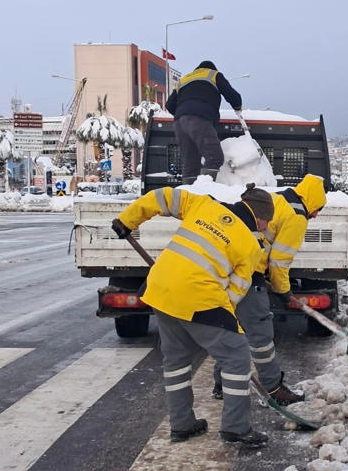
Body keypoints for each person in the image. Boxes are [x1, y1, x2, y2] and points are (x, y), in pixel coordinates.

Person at [111, 184, 274, 448]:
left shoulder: (204, 205)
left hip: (160, 289)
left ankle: (182, 425)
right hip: (199, 297)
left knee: (175, 361)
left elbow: (161, 197)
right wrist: (223, 321)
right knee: (236, 356)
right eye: (267, 221)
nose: (266, 228)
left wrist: (127, 220)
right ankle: (236, 429)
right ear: (258, 217)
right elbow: (236, 292)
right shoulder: (251, 247)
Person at [212, 174, 327, 404]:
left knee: (233, 328)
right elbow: (279, 261)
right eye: (317, 209)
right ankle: (274, 389)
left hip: (227, 267)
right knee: (260, 332)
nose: (315, 215)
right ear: (312, 202)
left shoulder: (280, 199)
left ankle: (221, 383)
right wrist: (284, 293)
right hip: (248, 271)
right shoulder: (297, 217)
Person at [166, 60, 243, 184]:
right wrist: (238, 106)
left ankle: (189, 197)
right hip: (199, 119)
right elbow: (232, 95)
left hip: (179, 123)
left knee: (190, 165)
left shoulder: (184, 79)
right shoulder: (214, 74)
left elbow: (169, 106)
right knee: (215, 157)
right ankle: (205, 192)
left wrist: (184, 112)